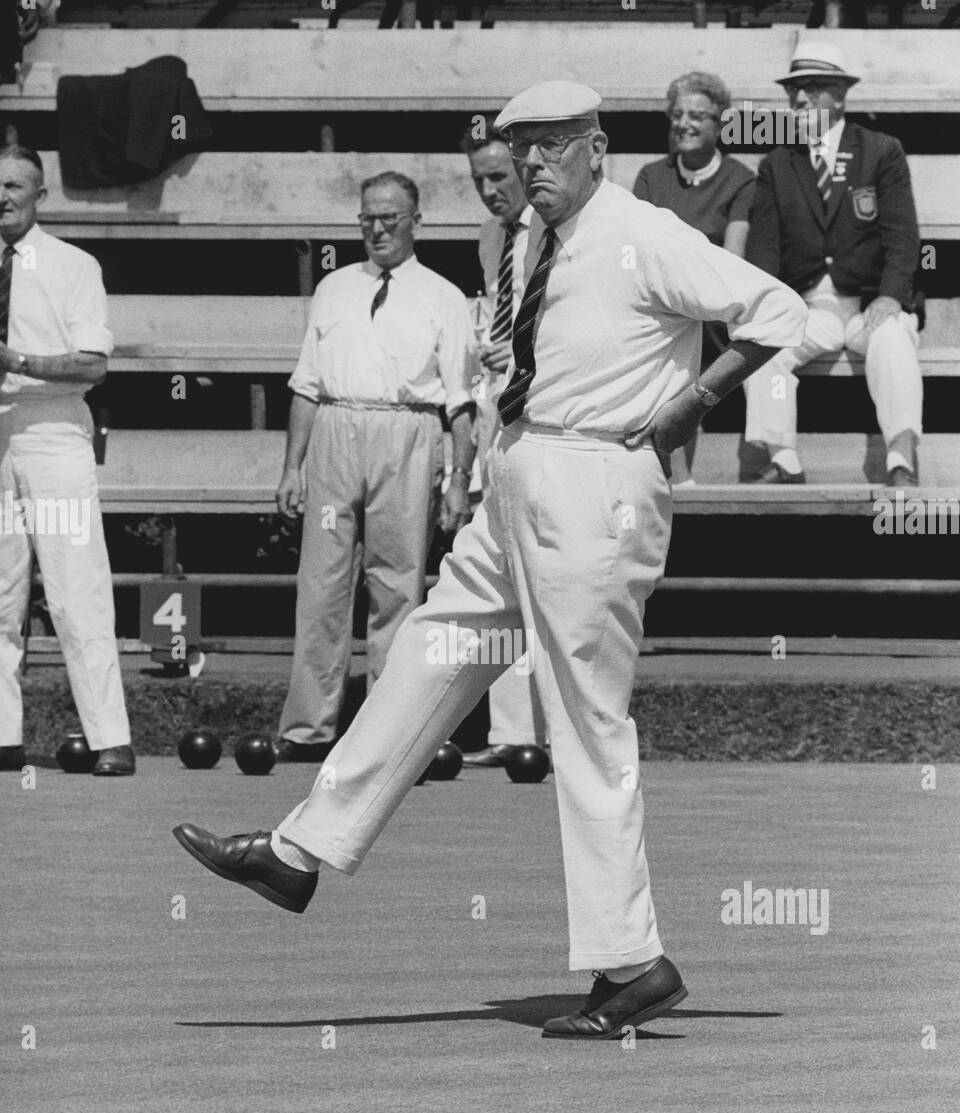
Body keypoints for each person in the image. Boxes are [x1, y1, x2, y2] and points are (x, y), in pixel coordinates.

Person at [174, 81, 805, 1042]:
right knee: (430, 653)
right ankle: (301, 850)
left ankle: (633, 961)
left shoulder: (643, 232)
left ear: (596, 147)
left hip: (597, 481)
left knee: (586, 719)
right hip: (519, 475)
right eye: (523, 148)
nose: (535, 164)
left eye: (554, 147)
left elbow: (777, 311)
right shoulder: (527, 242)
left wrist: (696, 402)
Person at [274, 171, 478, 762]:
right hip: (338, 431)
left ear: (416, 220)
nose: (378, 227)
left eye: (391, 216)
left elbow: (460, 400)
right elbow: (306, 385)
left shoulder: (442, 295)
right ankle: (308, 729)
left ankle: (387, 738)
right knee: (322, 584)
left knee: (398, 585)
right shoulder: (334, 288)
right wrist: (292, 468)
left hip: (409, 432)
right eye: (367, 217)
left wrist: (457, 480)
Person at [0, 145, 135, 776]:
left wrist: (17, 362)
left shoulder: (73, 265)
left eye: (14, 185)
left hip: (52, 434)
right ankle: (3, 738)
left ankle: (111, 738)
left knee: (75, 590)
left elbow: (93, 364)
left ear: (38, 195)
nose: (2, 196)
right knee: (0, 596)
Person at [742, 38, 923, 487]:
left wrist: (889, 297)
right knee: (763, 351)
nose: (800, 98)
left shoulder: (881, 150)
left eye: (815, 87)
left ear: (840, 95)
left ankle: (901, 456)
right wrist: (768, 310)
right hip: (809, 308)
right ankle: (784, 461)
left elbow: (903, 238)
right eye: (794, 89)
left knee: (893, 339)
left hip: (868, 304)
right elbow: (763, 250)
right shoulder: (776, 164)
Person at [460, 122, 548, 769]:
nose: (490, 191)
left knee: (543, 576)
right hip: (497, 410)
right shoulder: (491, 238)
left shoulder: (553, 229)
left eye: (499, 177)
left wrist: (521, 349)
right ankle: (511, 732)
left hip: (544, 416)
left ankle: (554, 730)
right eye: (479, 181)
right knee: (499, 577)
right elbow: (499, 307)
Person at [633, 71, 755, 483]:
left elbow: (733, 257)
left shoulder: (740, 179)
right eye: (678, 114)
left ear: (720, 122)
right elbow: (640, 251)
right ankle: (665, 476)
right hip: (660, 303)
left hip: (710, 309)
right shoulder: (652, 176)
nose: (684, 123)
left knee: (687, 342)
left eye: (697, 115)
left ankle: (679, 478)